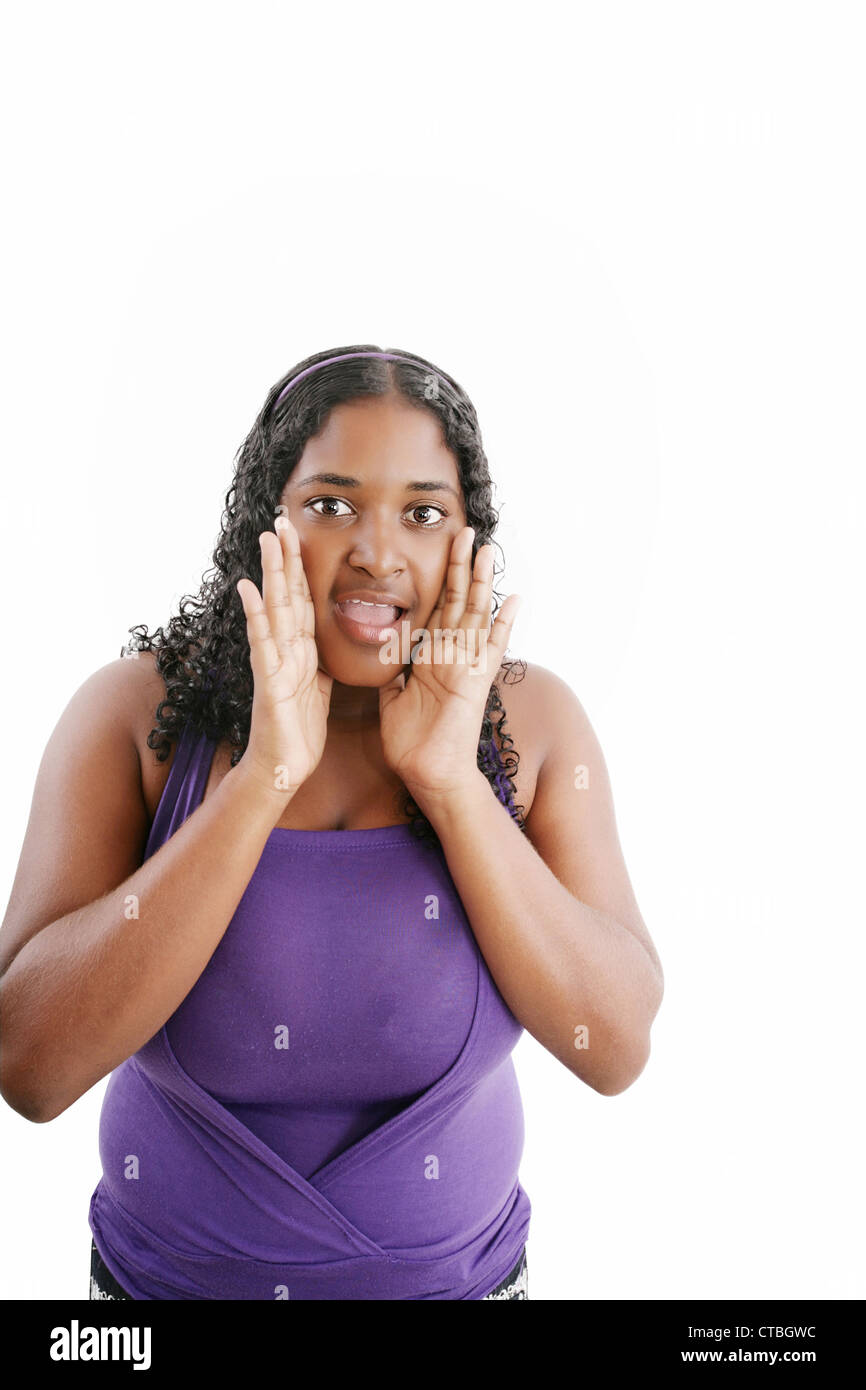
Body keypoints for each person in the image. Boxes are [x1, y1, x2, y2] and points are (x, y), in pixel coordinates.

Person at [0, 345, 664, 1300]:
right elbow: (32, 1069)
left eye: (423, 513)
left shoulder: (535, 723)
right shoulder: (132, 719)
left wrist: (451, 784)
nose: (379, 553)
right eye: (331, 504)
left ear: (465, 541)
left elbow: (617, 1050)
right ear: (264, 521)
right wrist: (264, 776)